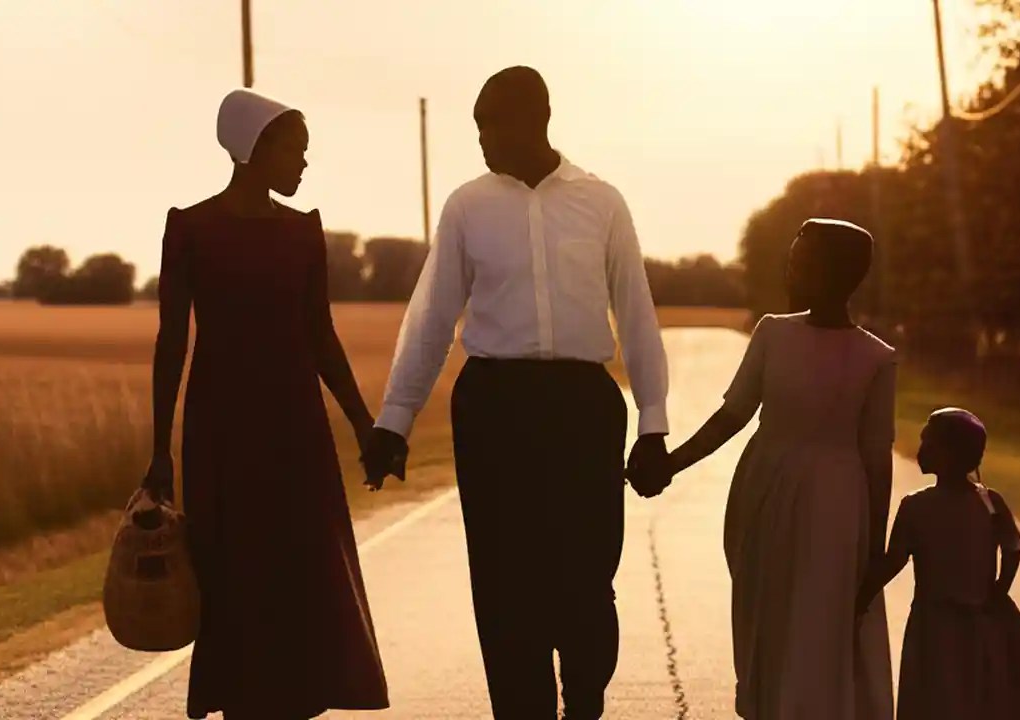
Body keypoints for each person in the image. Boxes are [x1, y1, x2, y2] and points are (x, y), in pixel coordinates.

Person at [360, 66, 671, 719]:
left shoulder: (602, 201)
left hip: (582, 406)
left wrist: (652, 424)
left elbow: (635, 311)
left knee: (587, 578)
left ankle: (585, 697)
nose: (479, 139)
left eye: (487, 124)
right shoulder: (468, 206)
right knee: (504, 585)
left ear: (533, 120)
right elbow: (432, 317)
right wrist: (394, 420)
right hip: (495, 407)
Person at [142, 88, 388, 719]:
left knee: (299, 576)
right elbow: (171, 344)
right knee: (235, 578)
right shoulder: (191, 228)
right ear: (254, 149)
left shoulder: (303, 233)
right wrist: (158, 454)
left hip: (295, 430)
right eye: (295, 151)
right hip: (220, 432)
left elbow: (321, 337)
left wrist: (364, 426)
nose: (303, 165)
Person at [666, 219, 895, 719]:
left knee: (819, 618)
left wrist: (875, 553)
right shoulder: (773, 332)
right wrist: (669, 465)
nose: (794, 270)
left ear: (841, 273)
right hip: (764, 490)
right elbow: (733, 414)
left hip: (835, 504)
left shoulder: (876, 358)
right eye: (794, 260)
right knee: (763, 613)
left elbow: (878, 459)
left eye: (806, 261)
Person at [856, 408, 1020, 719]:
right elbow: (1013, 547)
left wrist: (860, 597)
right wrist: (998, 591)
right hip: (967, 621)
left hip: (938, 626)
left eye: (929, 443)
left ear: (950, 454)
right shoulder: (983, 502)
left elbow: (893, 561)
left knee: (942, 700)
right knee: (969, 699)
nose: (921, 449)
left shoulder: (924, 507)